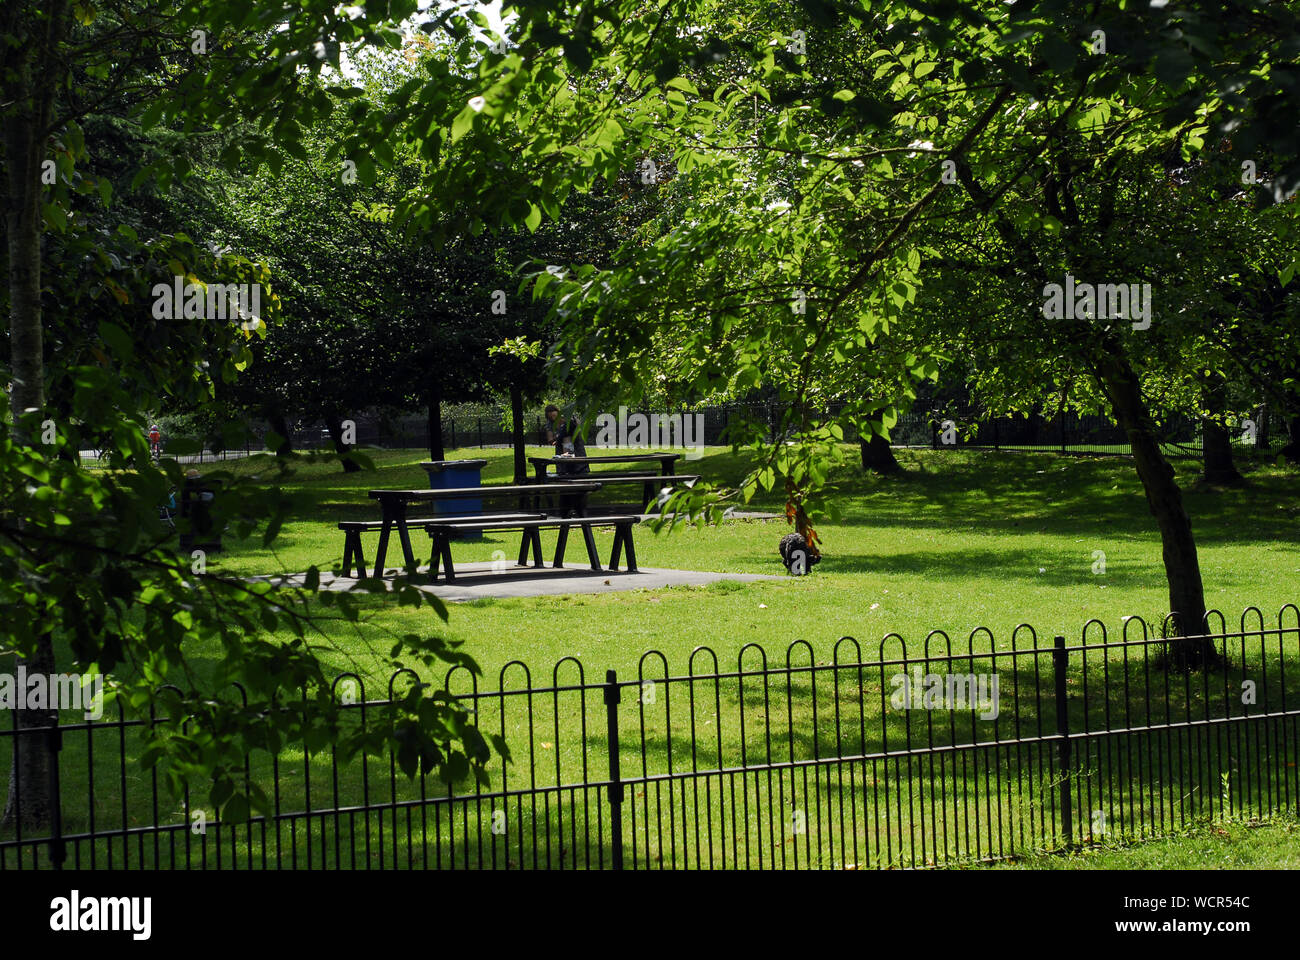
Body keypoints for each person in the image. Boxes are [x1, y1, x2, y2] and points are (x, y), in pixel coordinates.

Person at [544, 404, 590, 475]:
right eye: (550, 417)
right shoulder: (550, 424)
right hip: (561, 448)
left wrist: (560, 436)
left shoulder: (568, 418)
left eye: (554, 416)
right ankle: (565, 472)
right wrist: (557, 438)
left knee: (579, 466)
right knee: (564, 469)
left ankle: (580, 471)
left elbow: (578, 426)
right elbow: (550, 439)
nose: (553, 419)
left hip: (576, 444)